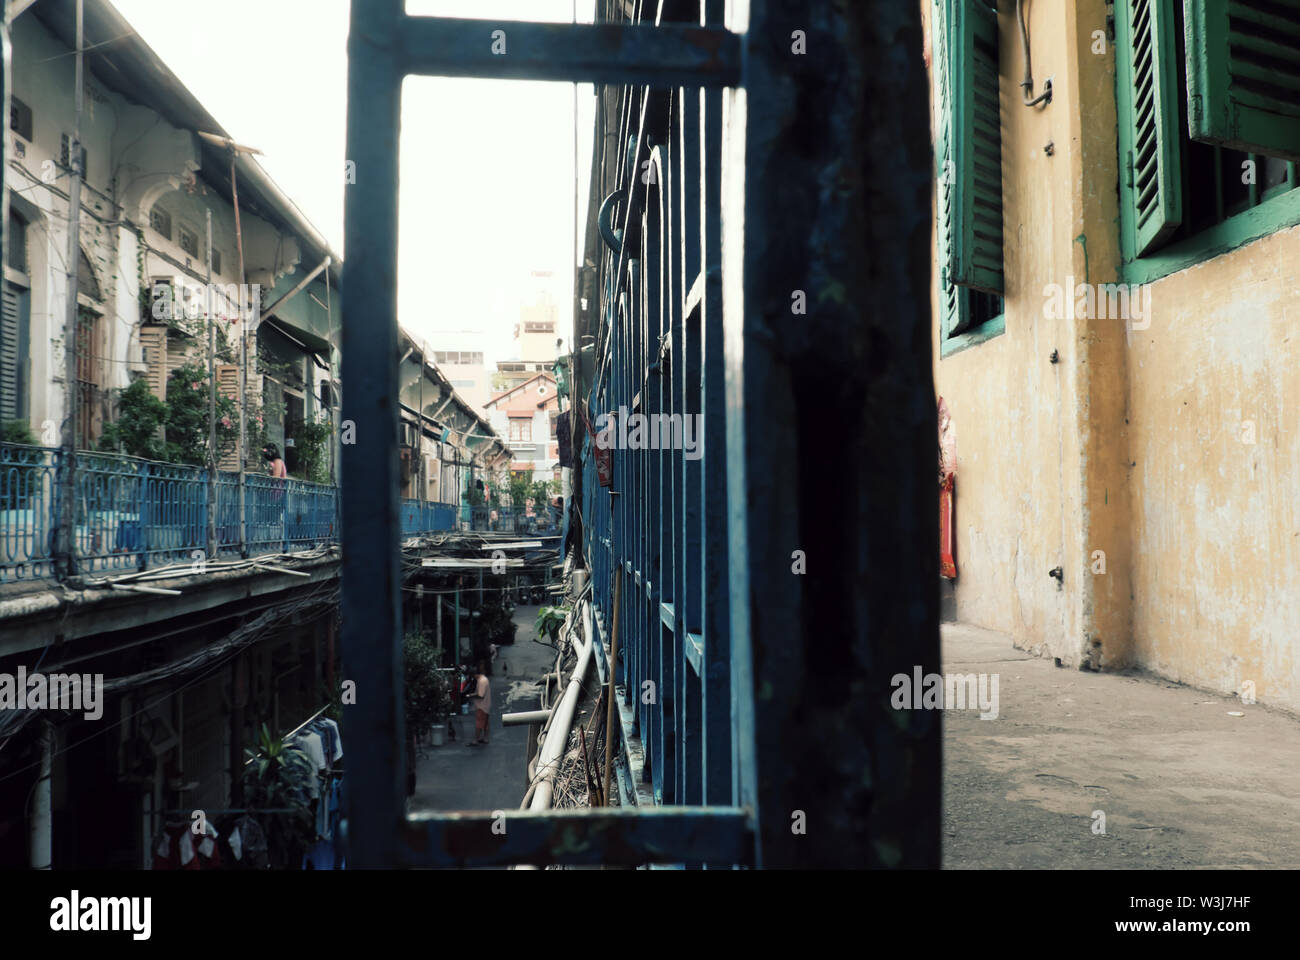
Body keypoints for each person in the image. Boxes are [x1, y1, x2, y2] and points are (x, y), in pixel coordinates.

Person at [466, 659, 491, 746]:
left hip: (482, 706)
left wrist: (470, 696)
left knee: (479, 724)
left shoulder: (481, 681)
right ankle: (485, 738)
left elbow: (480, 695)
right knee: (485, 723)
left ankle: (476, 740)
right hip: (486, 705)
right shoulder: (483, 679)